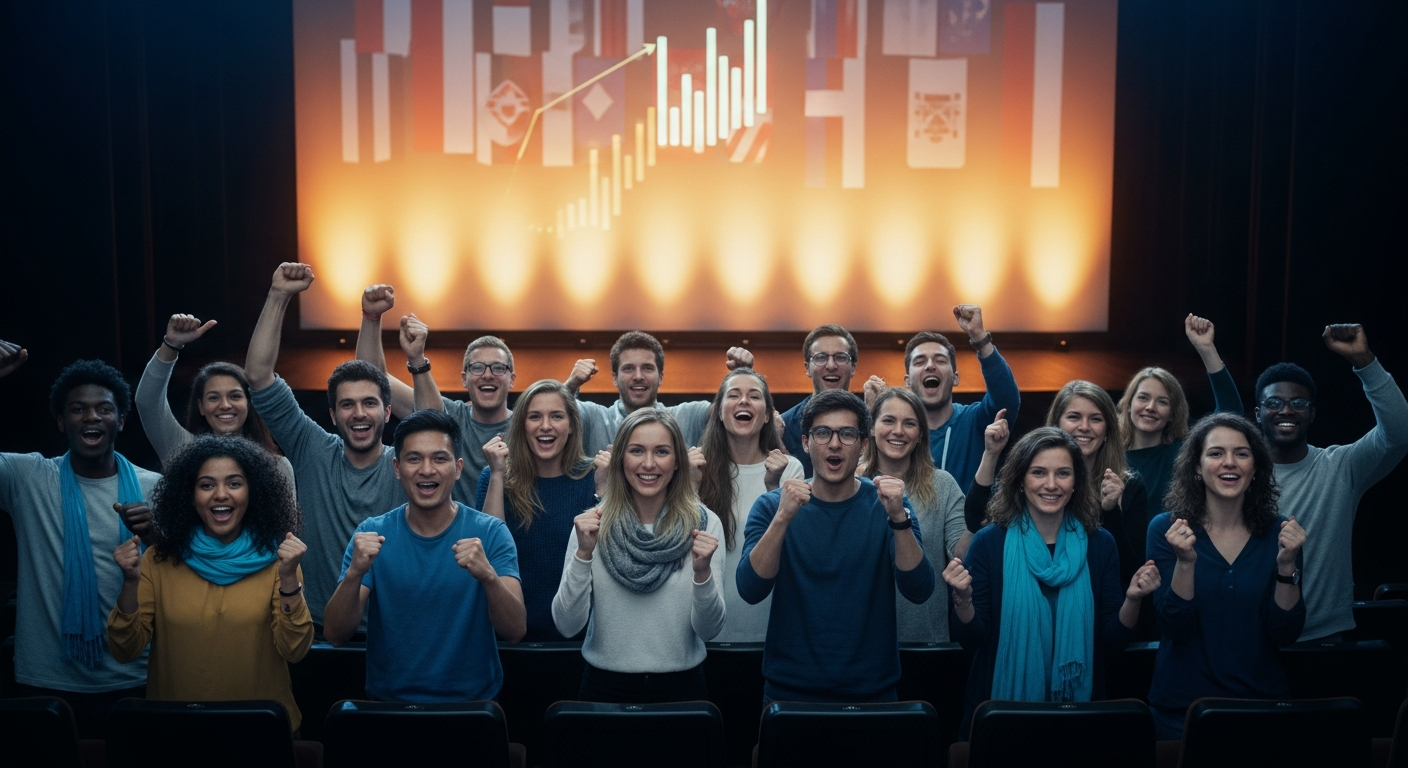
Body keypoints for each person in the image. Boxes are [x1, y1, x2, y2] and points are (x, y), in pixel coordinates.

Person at [944, 428, 1158, 737]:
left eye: (1063, 473)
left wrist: (1134, 599)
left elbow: (1112, 643)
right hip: (1002, 716)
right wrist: (962, 600)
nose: (1051, 484)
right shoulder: (990, 543)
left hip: (1080, 719)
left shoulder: (1100, 544)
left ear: (1076, 483)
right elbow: (974, 641)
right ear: (1019, 480)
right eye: (1039, 473)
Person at [0, 347, 159, 738]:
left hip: (135, 675)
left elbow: (189, 570)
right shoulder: (29, 478)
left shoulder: (154, 488)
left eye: (104, 409)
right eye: (77, 409)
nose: (91, 416)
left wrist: (158, 537)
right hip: (47, 677)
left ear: (120, 420)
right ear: (60, 422)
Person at [738, 389, 935, 703]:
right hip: (789, 691)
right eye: (822, 433)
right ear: (805, 443)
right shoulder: (772, 506)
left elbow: (919, 589)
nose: (834, 443)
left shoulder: (887, 504)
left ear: (863, 445)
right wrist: (783, 517)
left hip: (873, 691)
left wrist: (898, 517)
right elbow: (750, 589)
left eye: (846, 434)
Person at [106, 436, 313, 731]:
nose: (220, 494)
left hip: (259, 731)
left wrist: (290, 578)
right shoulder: (159, 559)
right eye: (206, 485)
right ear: (190, 495)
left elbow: (295, 650)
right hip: (176, 730)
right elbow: (124, 650)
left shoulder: (281, 561)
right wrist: (129, 583)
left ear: (252, 492)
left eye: (234, 483)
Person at [324, 409, 526, 701]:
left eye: (439, 458)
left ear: (457, 468)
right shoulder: (372, 533)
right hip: (389, 705)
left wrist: (488, 577)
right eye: (414, 458)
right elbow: (334, 634)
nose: (427, 470)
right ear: (397, 468)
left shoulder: (491, 532)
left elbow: (516, 630)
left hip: (471, 707)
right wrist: (354, 573)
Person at [244, 263, 405, 626]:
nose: (359, 413)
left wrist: (370, 320)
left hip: (392, 630)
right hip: (314, 626)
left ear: (389, 411)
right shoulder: (312, 448)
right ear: (332, 415)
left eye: (370, 403)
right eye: (347, 404)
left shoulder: (408, 466)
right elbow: (257, 375)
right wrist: (278, 295)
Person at [1147, 413, 1307, 739]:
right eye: (1216, 453)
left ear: (1255, 468)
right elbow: (1174, 627)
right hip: (1183, 712)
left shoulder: (1280, 533)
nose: (1229, 463)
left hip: (1263, 707)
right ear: (1196, 466)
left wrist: (1288, 565)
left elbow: (1285, 633)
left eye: (1242, 453)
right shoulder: (1167, 529)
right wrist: (1186, 562)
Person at [551, 410, 725, 703]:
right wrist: (583, 555)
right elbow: (567, 626)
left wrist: (702, 574)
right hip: (603, 686)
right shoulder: (591, 525)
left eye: (661, 452)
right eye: (636, 451)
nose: (648, 463)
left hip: (682, 688)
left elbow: (709, 630)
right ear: (620, 460)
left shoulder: (705, 524)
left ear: (677, 463)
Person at [1253, 324, 1408, 642]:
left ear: (1312, 414)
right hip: (1251, 636)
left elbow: (1400, 433)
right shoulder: (1238, 473)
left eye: (1298, 403)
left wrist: (1365, 361)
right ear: (1257, 414)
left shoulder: (1341, 466)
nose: (1285, 410)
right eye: (1273, 403)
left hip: (1325, 635)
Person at [356, 284, 516, 501]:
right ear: (464, 379)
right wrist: (371, 317)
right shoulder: (446, 414)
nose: (488, 375)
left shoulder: (527, 426)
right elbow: (372, 380)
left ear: (512, 379)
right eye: (477, 367)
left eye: (498, 368)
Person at [476, 379, 598, 641]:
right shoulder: (493, 476)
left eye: (556, 416)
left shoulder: (595, 476)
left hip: (581, 638)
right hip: (509, 634)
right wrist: (498, 474)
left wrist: (606, 491)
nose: (545, 426)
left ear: (572, 427)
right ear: (522, 426)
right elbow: (489, 553)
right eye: (535, 417)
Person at [695, 368, 804, 642]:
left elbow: (797, 550)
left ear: (767, 415)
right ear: (719, 412)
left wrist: (773, 489)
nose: (744, 401)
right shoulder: (696, 468)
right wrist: (691, 487)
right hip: (706, 632)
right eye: (734, 395)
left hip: (773, 630)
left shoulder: (790, 469)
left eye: (754, 396)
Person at [867, 305, 1021, 496]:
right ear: (908, 381)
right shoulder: (897, 433)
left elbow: (1007, 399)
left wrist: (980, 338)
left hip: (971, 525)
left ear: (956, 378)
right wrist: (872, 414)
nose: (930, 366)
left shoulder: (974, 420)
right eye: (920, 361)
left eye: (940, 360)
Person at [858, 387, 968, 643]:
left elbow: (962, 557)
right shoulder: (850, 483)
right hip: (861, 642)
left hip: (925, 638)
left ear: (920, 435)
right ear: (872, 428)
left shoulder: (943, 484)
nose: (898, 431)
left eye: (909, 423)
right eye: (888, 420)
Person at [134, 312, 294, 486]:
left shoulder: (277, 465)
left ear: (249, 403)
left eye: (235, 396)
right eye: (213, 398)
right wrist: (171, 345)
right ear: (201, 407)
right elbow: (147, 402)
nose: (225, 405)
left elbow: (288, 515)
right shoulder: (182, 450)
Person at [1116, 314, 1242, 516]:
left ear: (1173, 414)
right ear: (1128, 404)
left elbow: (1231, 417)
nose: (1150, 407)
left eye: (1162, 402)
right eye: (1143, 398)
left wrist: (1207, 349)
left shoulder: (1182, 454)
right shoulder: (1108, 452)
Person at [565, 330, 754, 454]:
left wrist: (744, 374)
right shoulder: (594, 416)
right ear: (614, 377)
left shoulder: (686, 416)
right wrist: (571, 385)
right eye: (629, 368)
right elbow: (549, 416)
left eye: (647, 368)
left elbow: (731, 414)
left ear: (661, 376)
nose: (638, 376)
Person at [1044, 381, 1144, 578]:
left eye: (1096, 419)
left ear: (1107, 429)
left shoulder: (1130, 486)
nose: (1084, 427)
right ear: (1056, 424)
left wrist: (1111, 510)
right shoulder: (1038, 482)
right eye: (1074, 417)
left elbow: (1132, 571)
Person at [779, 324, 860, 478]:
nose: (831, 365)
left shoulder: (872, 424)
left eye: (840, 357)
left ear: (854, 368)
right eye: (821, 358)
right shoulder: (784, 426)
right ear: (807, 368)